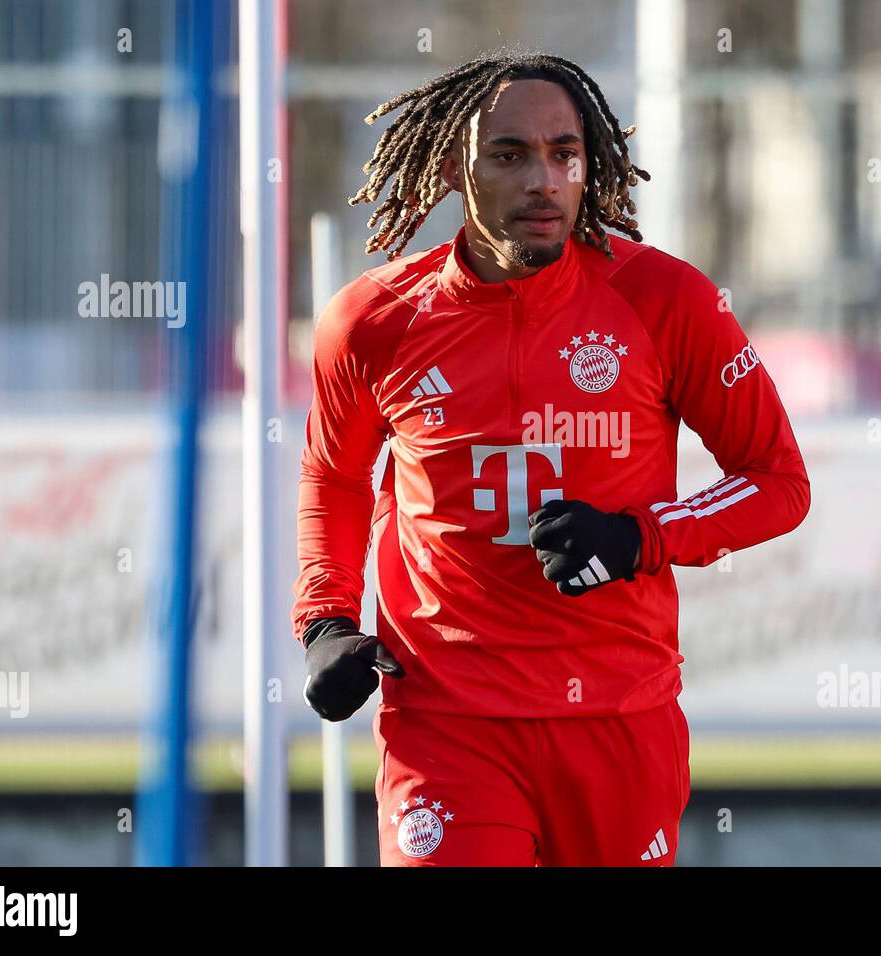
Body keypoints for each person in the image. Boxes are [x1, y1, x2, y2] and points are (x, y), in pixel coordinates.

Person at [292, 48, 811, 866]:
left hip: (615, 717)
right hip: (449, 721)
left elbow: (777, 482)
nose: (544, 179)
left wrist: (639, 535)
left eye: (563, 153)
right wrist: (324, 621)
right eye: (510, 155)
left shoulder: (665, 300)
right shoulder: (373, 321)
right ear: (455, 170)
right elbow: (334, 474)